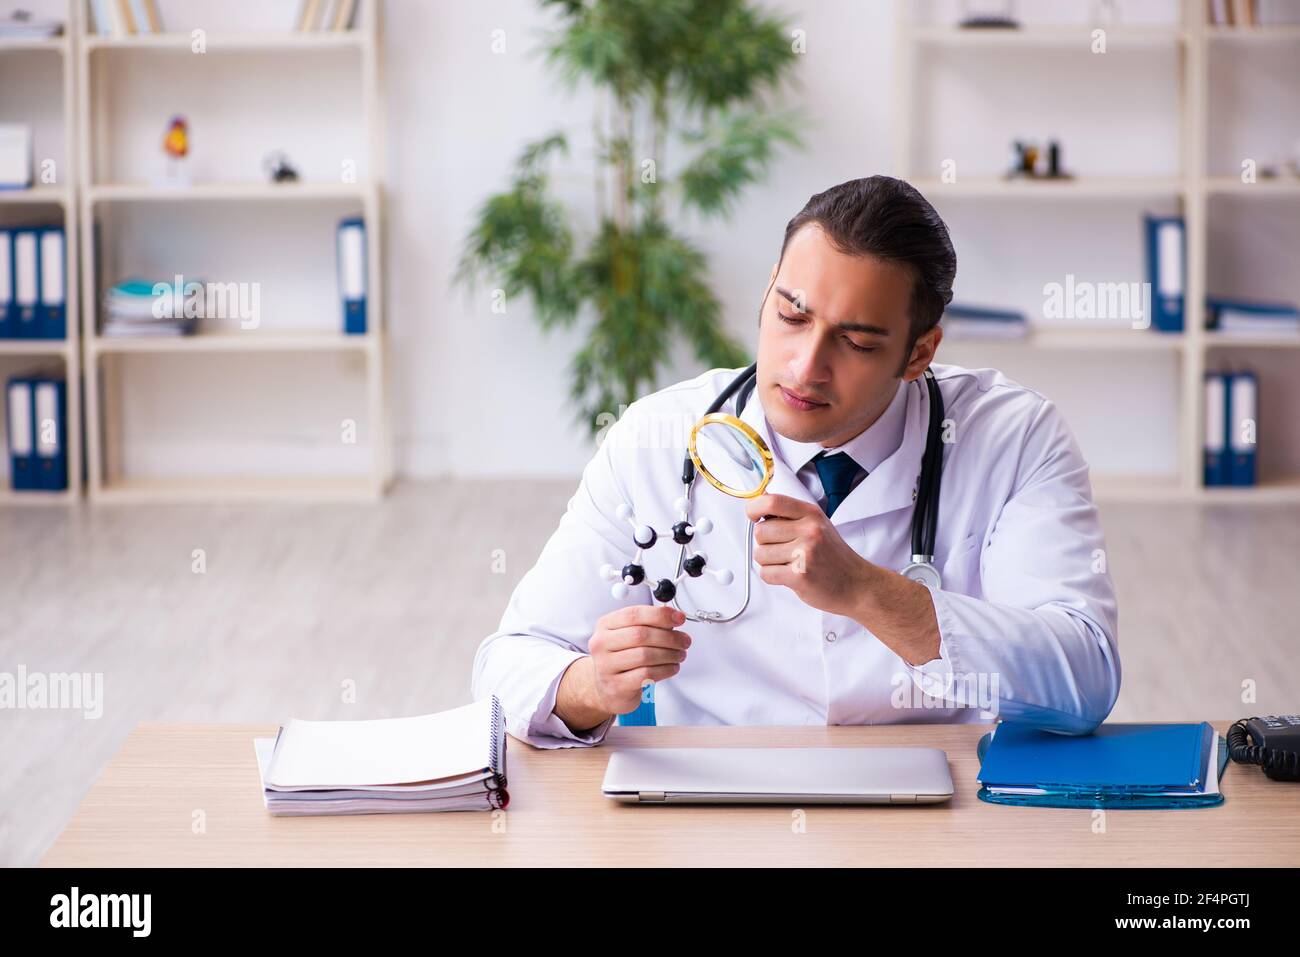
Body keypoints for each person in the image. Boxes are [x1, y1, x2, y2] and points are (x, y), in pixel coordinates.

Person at [472, 175, 1120, 748]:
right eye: (791, 315)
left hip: (935, 807)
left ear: (919, 353)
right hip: (718, 809)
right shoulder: (656, 438)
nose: (805, 366)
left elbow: (1084, 676)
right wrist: (590, 684)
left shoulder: (1014, 437)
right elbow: (507, 668)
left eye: (857, 340)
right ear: (766, 297)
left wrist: (869, 591)